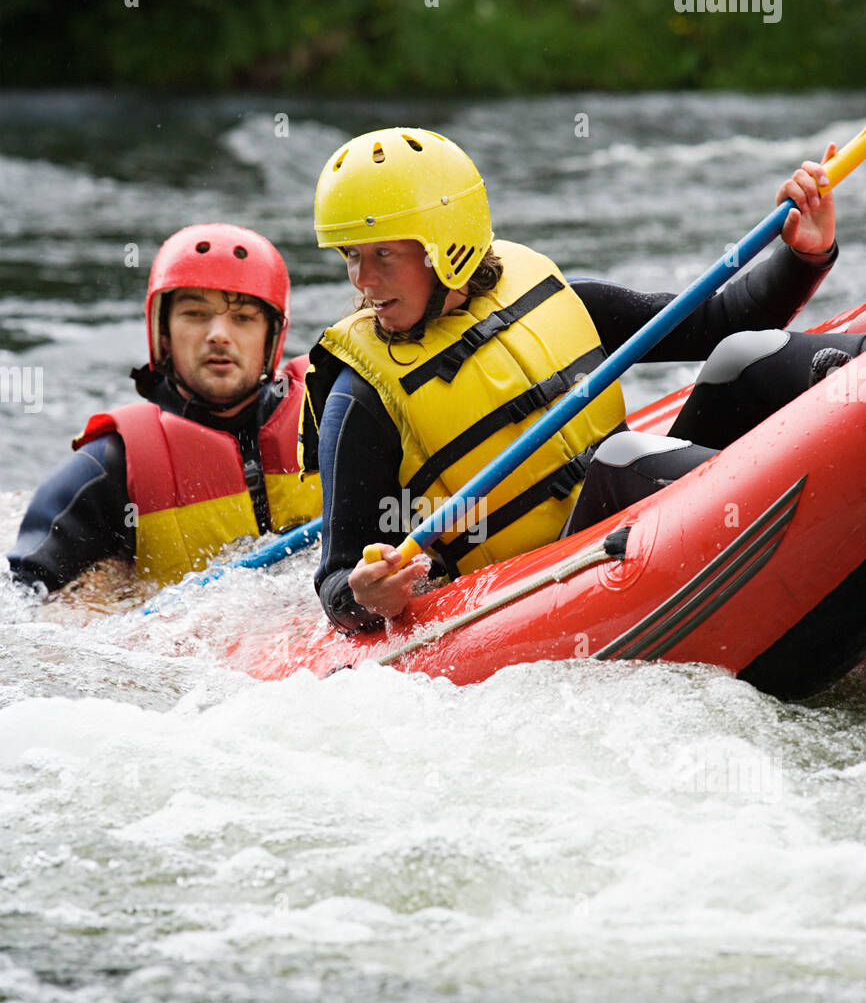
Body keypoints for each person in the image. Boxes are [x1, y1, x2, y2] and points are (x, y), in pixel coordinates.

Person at [300, 127, 859, 633]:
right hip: (547, 589)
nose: (362, 279)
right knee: (619, 460)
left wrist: (803, 253)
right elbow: (337, 580)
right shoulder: (361, 397)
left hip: (649, 521)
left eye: (383, 255)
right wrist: (363, 593)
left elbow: (721, 322)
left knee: (745, 355)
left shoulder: (552, 296)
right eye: (351, 255)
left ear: (445, 245)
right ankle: (820, 489)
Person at [8, 223, 321, 593]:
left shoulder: (330, 414)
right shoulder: (109, 467)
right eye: (195, 314)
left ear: (272, 336)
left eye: (243, 318)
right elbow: (22, 604)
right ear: (164, 335)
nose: (219, 334)